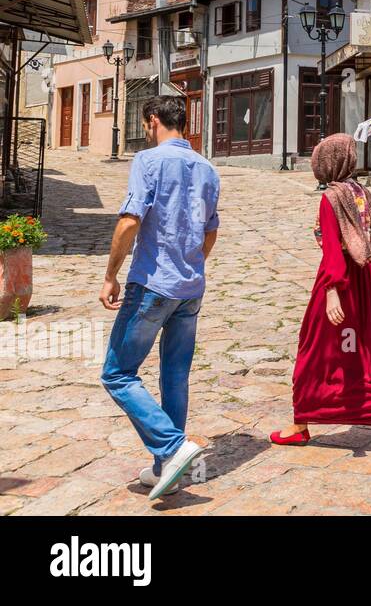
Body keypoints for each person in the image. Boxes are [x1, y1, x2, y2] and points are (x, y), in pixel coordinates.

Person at [270, 133, 371, 457]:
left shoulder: (331, 199)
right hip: (367, 281)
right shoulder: (361, 193)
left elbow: (333, 255)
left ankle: (301, 424)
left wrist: (332, 292)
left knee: (315, 350)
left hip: (341, 284)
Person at [100, 96, 220, 501]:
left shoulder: (148, 161)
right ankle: (162, 467)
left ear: (153, 121)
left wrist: (111, 275)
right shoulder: (207, 167)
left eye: (146, 124)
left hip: (153, 284)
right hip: (190, 288)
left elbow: (130, 221)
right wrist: (191, 264)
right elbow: (210, 231)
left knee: (117, 372)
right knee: (175, 375)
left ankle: (171, 448)